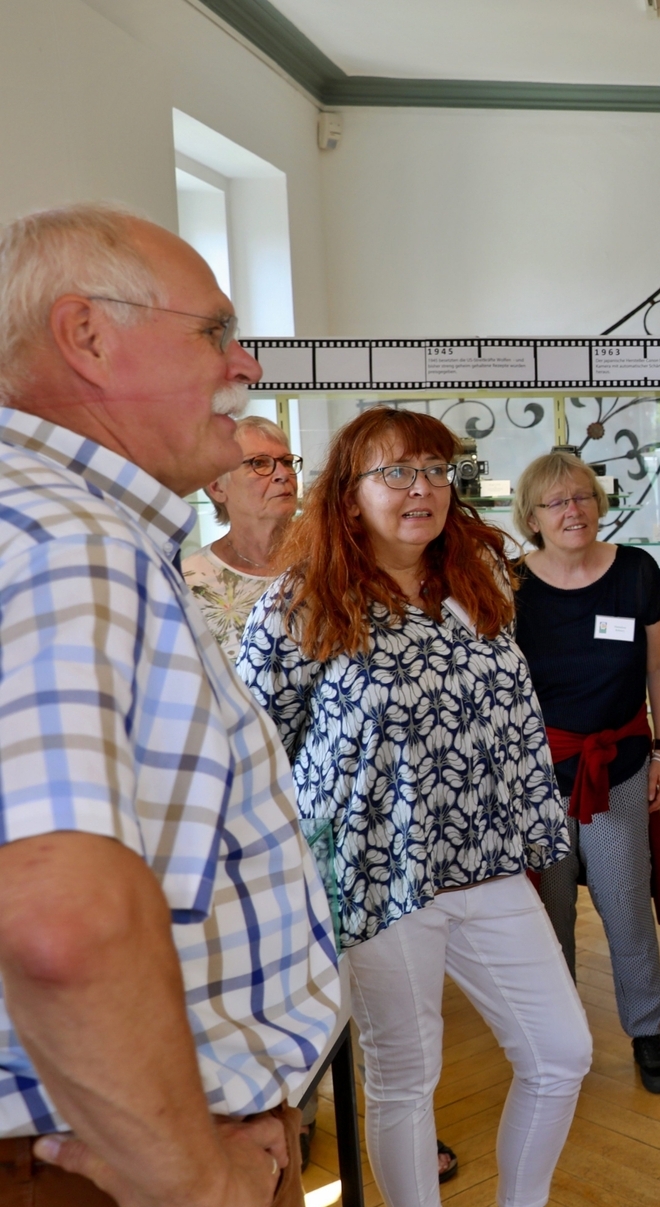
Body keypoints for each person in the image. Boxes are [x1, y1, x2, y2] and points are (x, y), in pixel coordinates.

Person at [0, 203, 339, 1206]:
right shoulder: (73, 545)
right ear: (88, 337)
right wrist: (199, 1182)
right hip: (111, 1163)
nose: (246, 367)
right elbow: (58, 918)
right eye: (213, 332)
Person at [236, 407, 589, 1207]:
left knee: (561, 1051)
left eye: (434, 470)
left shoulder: (479, 576)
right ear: (348, 494)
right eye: (396, 472)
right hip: (378, 879)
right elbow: (255, 747)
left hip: (489, 865)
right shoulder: (302, 603)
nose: (421, 488)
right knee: (406, 1077)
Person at [511, 452, 660, 1095]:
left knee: (626, 910)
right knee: (547, 918)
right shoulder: (510, 585)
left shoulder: (636, 571)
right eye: (555, 503)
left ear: (598, 502)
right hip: (536, 778)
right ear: (532, 517)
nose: (572, 511)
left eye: (581, 497)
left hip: (621, 767)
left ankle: (648, 1033)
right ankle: (560, 1044)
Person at [181, 415, 298, 660]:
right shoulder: (190, 584)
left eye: (286, 462)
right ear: (217, 487)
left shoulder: (335, 559)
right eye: (259, 463)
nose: (283, 474)